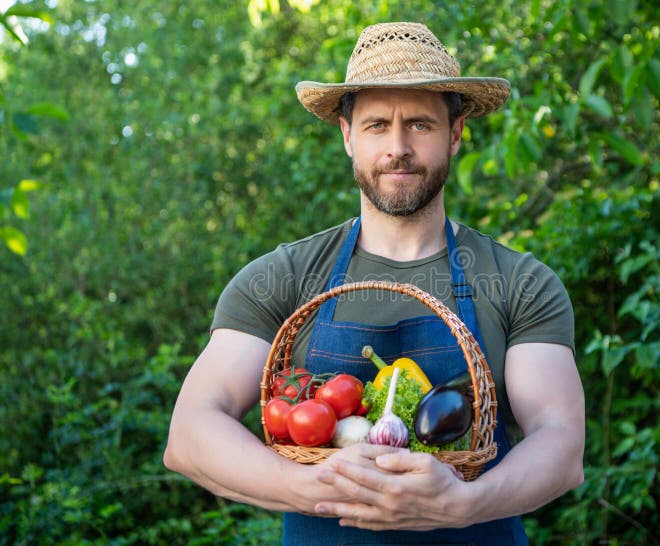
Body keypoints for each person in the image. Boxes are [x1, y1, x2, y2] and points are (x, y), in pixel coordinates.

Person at [163, 21, 585, 545]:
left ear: (455, 134)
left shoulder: (519, 282)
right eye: (377, 125)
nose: (399, 147)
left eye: (422, 125)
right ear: (347, 135)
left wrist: (464, 506)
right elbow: (190, 434)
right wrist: (315, 486)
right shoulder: (283, 278)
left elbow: (561, 443)